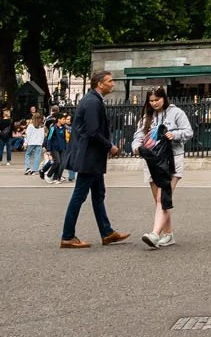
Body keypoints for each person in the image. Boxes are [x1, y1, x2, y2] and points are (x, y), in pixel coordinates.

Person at [60, 71, 130, 250]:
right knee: (79, 196)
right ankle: (67, 236)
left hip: (92, 158)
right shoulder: (92, 102)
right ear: (100, 84)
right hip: (88, 157)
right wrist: (110, 146)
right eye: (110, 81)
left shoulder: (93, 99)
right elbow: (92, 132)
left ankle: (107, 233)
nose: (113, 84)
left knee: (98, 195)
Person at [132, 86, 193, 249]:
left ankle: (154, 234)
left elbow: (188, 131)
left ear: (164, 98)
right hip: (152, 160)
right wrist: (137, 147)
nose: (154, 103)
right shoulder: (147, 117)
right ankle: (168, 234)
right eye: (150, 101)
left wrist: (175, 135)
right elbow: (137, 136)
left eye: (156, 100)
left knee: (162, 197)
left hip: (172, 158)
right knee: (159, 200)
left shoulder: (177, 113)